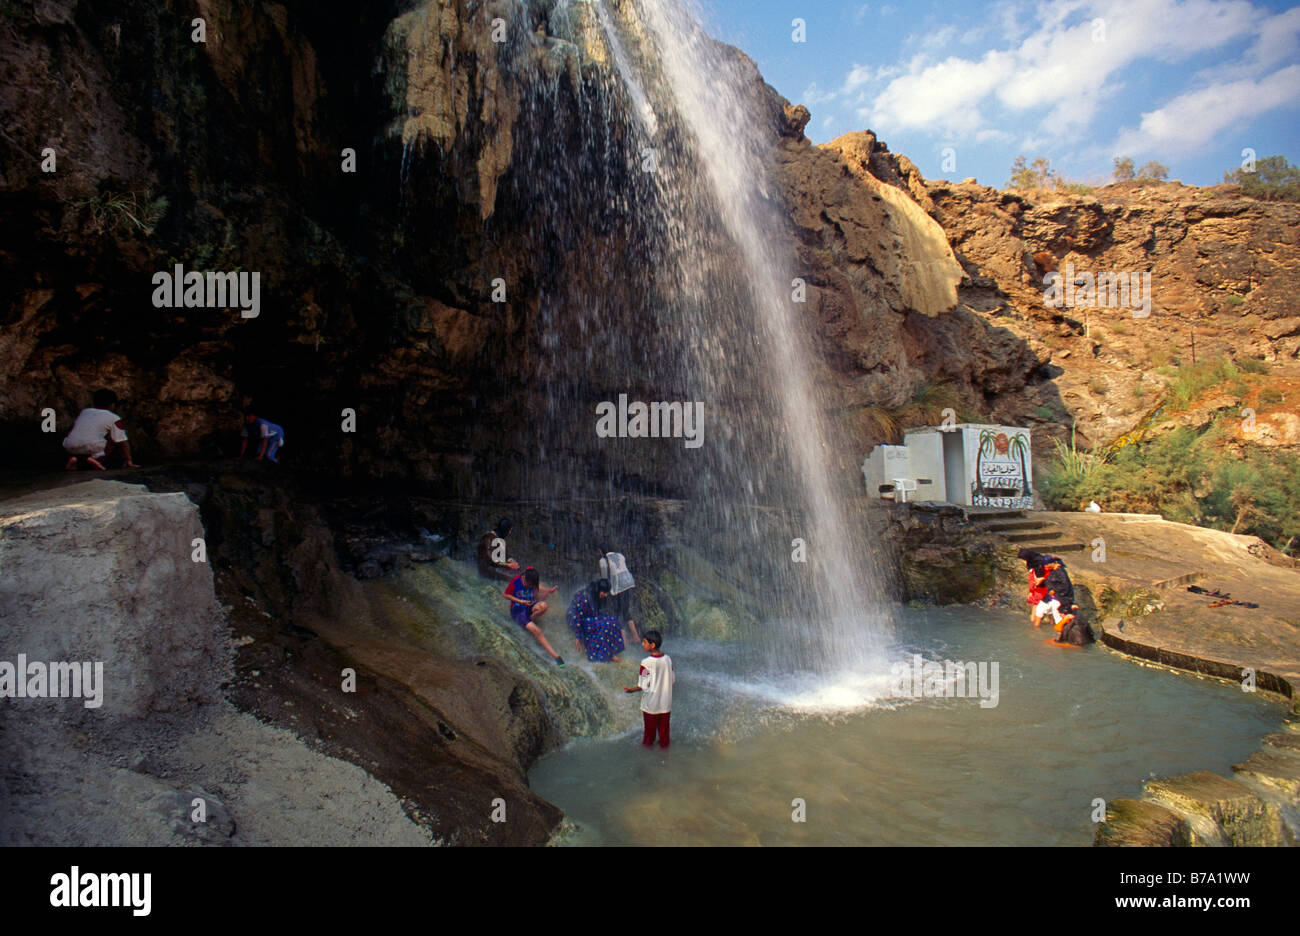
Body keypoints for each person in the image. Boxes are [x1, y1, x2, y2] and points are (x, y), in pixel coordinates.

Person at [63, 389, 138, 471]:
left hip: (69, 447)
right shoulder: (114, 418)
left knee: (81, 444)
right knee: (115, 437)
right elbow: (123, 441)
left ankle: (76, 461)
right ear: (112, 405)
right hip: (92, 449)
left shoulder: (84, 411)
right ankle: (97, 460)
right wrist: (128, 459)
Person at [504, 567, 564, 665]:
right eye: (529, 584)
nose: (530, 586)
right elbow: (506, 595)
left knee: (544, 606)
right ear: (526, 579)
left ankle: (529, 621)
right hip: (518, 611)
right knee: (537, 631)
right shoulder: (516, 581)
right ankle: (556, 657)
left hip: (529, 606)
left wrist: (548, 591)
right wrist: (520, 601)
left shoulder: (531, 581)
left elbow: (537, 589)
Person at [624, 630, 673, 748]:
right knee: (664, 736)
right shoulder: (668, 659)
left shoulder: (646, 663)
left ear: (652, 645)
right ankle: (665, 756)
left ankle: (647, 757)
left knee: (648, 737)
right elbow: (672, 679)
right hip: (665, 704)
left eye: (644, 642)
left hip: (651, 705)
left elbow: (643, 685)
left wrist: (631, 690)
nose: (642, 644)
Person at [567, 579, 626, 663]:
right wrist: (578, 636)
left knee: (614, 621)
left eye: (607, 593)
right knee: (604, 625)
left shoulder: (595, 595)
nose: (606, 595)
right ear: (599, 590)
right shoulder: (585, 597)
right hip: (578, 620)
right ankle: (601, 655)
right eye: (604, 592)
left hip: (590, 617)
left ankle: (612, 651)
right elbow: (577, 616)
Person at [599, 546, 640, 643]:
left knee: (617, 612)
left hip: (618, 586)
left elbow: (604, 578)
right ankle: (635, 636)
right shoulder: (620, 555)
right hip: (628, 583)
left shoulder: (603, 561)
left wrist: (603, 591)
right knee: (625, 610)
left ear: (600, 551)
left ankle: (623, 641)